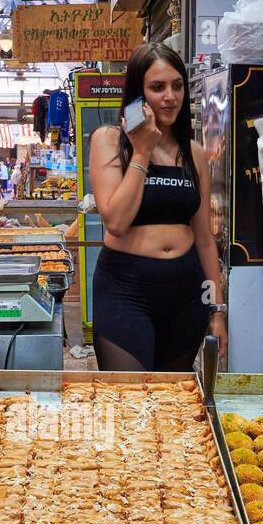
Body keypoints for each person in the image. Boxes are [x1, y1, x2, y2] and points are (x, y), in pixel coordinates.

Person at [88, 42, 226, 371]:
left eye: (177, 86)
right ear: (139, 93)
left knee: (172, 403)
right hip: (125, 291)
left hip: (186, 295)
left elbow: (205, 240)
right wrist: (141, 151)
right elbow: (116, 222)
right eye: (157, 87)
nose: (170, 97)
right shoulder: (109, 141)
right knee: (130, 403)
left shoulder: (193, 153)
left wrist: (218, 310)